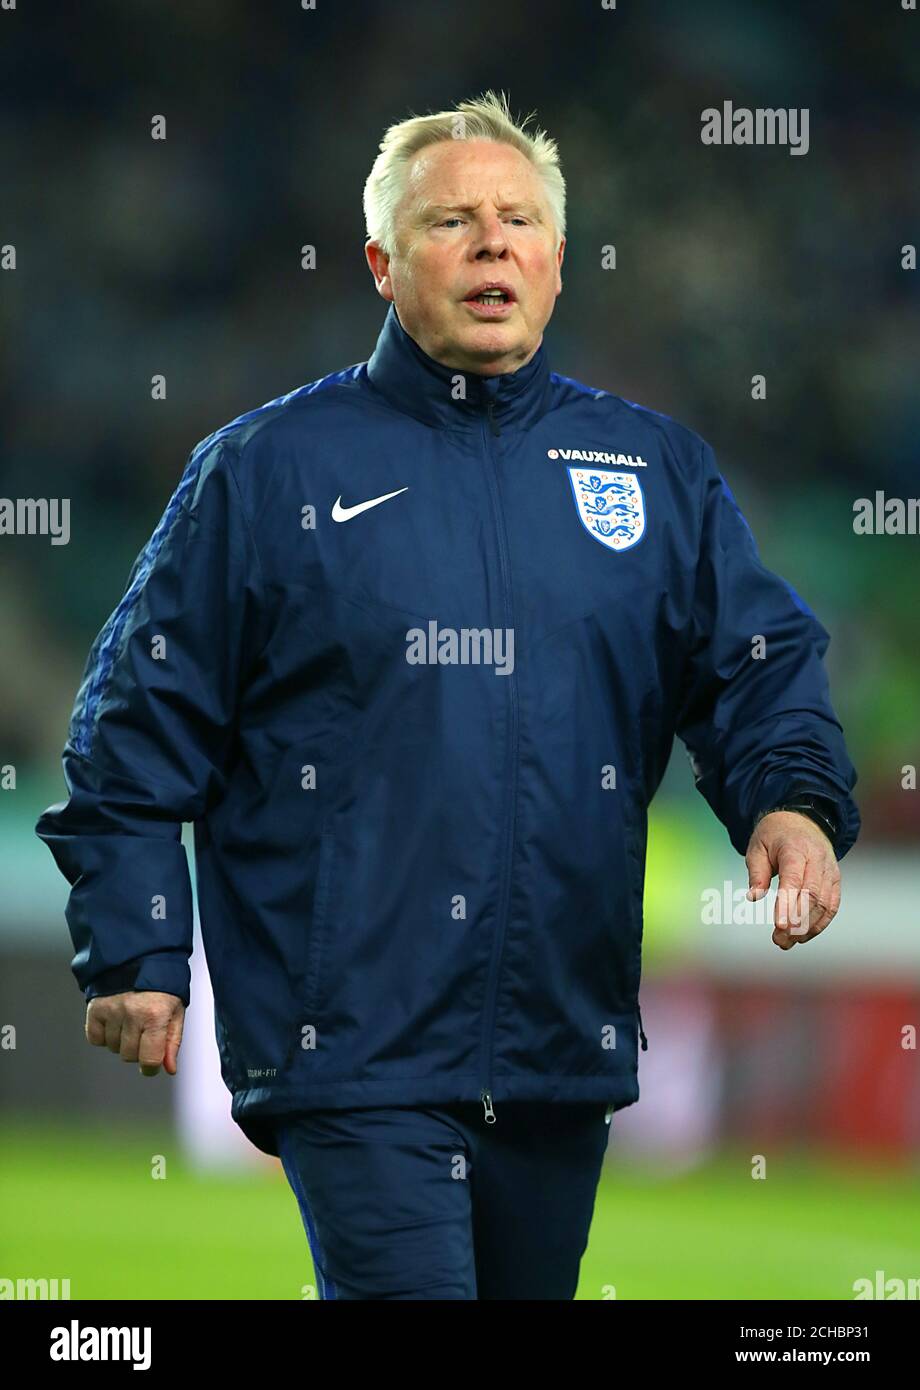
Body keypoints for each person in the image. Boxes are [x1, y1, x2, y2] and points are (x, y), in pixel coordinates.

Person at [36, 91, 860, 1299]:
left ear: (557, 260)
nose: (490, 243)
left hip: (555, 1042)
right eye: (451, 222)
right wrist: (136, 946)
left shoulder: (650, 469)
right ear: (380, 263)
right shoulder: (268, 472)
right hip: (352, 1044)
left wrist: (789, 799)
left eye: (517, 219)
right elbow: (134, 725)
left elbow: (758, 664)